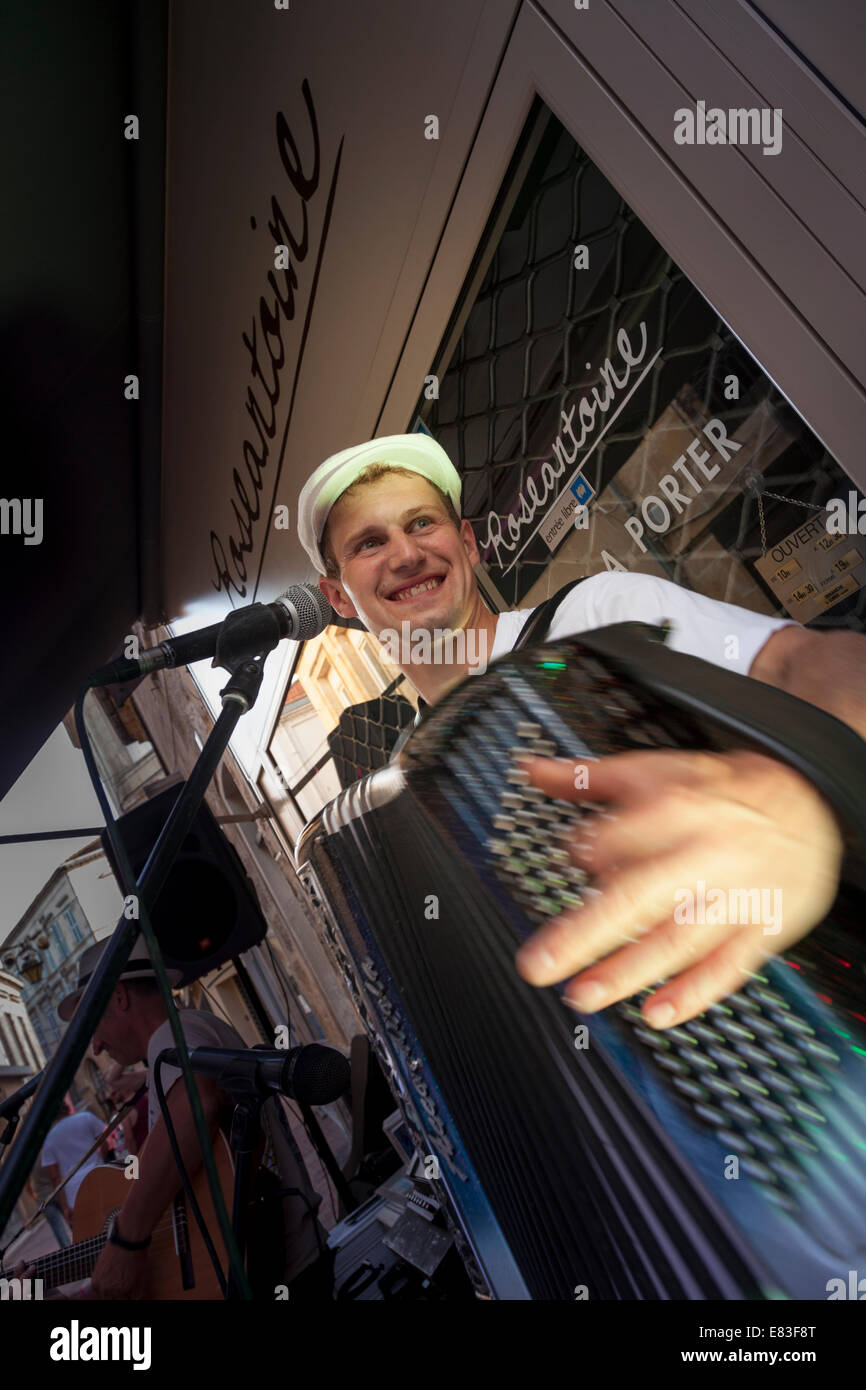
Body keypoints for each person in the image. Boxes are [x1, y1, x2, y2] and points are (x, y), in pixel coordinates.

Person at [298, 432, 866, 1032]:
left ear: (467, 543)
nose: (406, 554)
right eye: (369, 543)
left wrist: (798, 792)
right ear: (338, 596)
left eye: (421, 524)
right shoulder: (410, 788)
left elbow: (814, 660)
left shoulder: (590, 617)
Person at [24, 936, 331, 1300]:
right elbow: (182, 1228)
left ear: (118, 998)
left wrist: (126, 1239)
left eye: (93, 1027)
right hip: (280, 1268)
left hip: (282, 1273)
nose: (96, 1047)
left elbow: (196, 1107)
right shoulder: (179, 1041)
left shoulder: (172, 1035)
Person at [36, 1096, 112, 1236]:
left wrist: (65, 1207)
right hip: (99, 1178)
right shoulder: (86, 1118)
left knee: (90, 1233)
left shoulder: (49, 1140)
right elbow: (105, 1139)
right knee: (112, 1221)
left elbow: (55, 1177)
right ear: (66, 1106)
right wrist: (100, 1157)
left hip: (75, 1194)